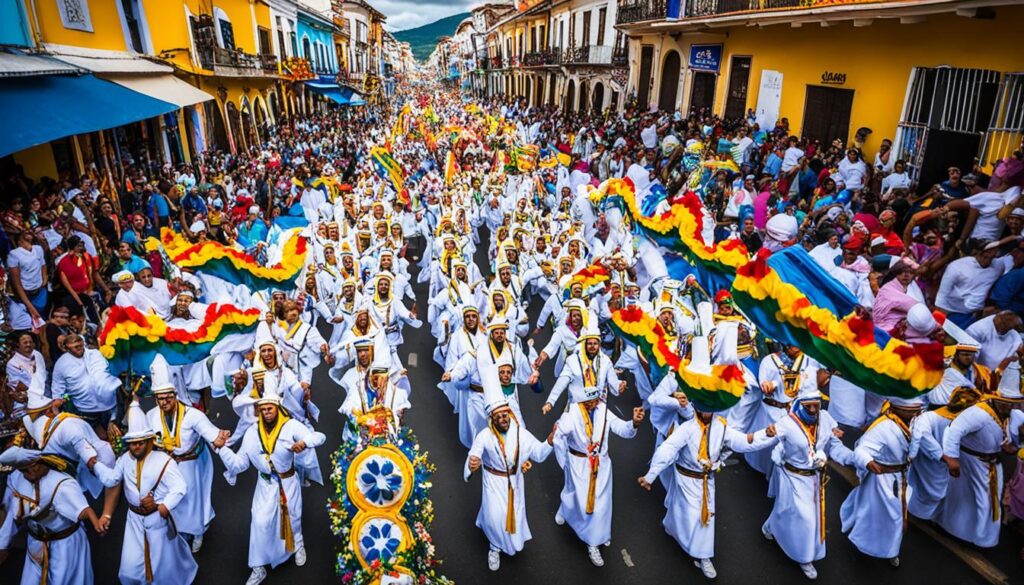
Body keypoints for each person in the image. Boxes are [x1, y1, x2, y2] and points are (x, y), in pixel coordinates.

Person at [215, 374, 326, 585]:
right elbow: (240, 464)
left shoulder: (291, 426)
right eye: (262, 409)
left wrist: (304, 442)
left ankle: (298, 546)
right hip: (265, 484)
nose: (266, 413)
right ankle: (258, 567)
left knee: (293, 516)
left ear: (277, 408)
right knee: (259, 521)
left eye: (270, 408)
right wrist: (222, 450)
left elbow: (319, 437)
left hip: (288, 480)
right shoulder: (250, 433)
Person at [638, 400, 769, 579]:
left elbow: (744, 441)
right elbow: (667, 449)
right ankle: (674, 528)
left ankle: (704, 555)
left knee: (705, 518)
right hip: (686, 480)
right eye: (702, 407)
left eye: (709, 408)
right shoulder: (687, 428)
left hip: (707, 481)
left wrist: (768, 434)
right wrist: (650, 475)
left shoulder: (722, 428)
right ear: (695, 407)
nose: (706, 412)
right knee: (686, 512)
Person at [752, 378, 855, 580]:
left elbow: (834, 446)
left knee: (789, 510)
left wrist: (855, 459)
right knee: (807, 519)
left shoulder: (825, 419)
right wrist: (739, 439)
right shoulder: (787, 423)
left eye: (816, 405)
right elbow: (761, 439)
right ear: (799, 404)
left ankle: (770, 525)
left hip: (815, 479)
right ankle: (804, 557)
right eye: (808, 406)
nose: (813, 410)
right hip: (792, 476)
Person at [89, 400, 198, 585]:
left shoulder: (164, 460)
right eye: (132, 443)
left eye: (140, 442)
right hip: (133, 520)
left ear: (149, 441)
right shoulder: (124, 459)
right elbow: (112, 479)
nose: (136, 447)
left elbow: (180, 487)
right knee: (130, 570)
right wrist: (95, 465)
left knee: (163, 569)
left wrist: (164, 506)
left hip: (157, 519)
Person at [552, 384, 644, 567]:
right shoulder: (570, 416)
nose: (594, 404)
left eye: (596, 400)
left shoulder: (604, 411)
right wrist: (565, 462)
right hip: (578, 465)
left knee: (600, 504)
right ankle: (566, 510)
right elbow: (557, 438)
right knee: (576, 496)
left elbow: (622, 429)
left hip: (602, 466)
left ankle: (594, 540)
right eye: (589, 401)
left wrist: (634, 423)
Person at [146, 355, 230, 553]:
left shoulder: (193, 415)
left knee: (192, 498)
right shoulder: (151, 416)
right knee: (172, 499)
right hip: (167, 466)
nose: (165, 401)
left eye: (168, 397)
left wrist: (220, 439)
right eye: (160, 398)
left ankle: (198, 531)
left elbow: (211, 434)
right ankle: (180, 531)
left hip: (191, 463)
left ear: (175, 395)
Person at [465, 397, 555, 571]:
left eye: (504, 415)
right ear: (492, 419)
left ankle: (507, 542)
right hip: (493, 481)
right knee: (494, 516)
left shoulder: (521, 434)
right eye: (497, 417)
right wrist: (472, 464)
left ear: (510, 414)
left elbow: (538, 453)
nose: (502, 419)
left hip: (515, 482)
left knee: (514, 514)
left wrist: (549, 442)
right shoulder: (485, 435)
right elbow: (473, 455)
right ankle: (494, 547)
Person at [839, 396, 925, 566]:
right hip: (882, 480)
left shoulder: (916, 422)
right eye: (910, 411)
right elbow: (862, 448)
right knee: (878, 514)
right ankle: (864, 541)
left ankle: (891, 550)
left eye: (917, 410)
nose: (915, 413)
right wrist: (869, 462)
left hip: (901, 476)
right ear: (896, 408)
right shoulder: (883, 426)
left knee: (895, 515)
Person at [0, 446, 103, 585]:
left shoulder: (62, 483)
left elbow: (82, 509)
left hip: (65, 546)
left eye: (33, 466)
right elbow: (13, 515)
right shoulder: (17, 479)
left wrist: (96, 521)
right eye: (23, 470)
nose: (31, 472)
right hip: (35, 544)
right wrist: (2, 545)